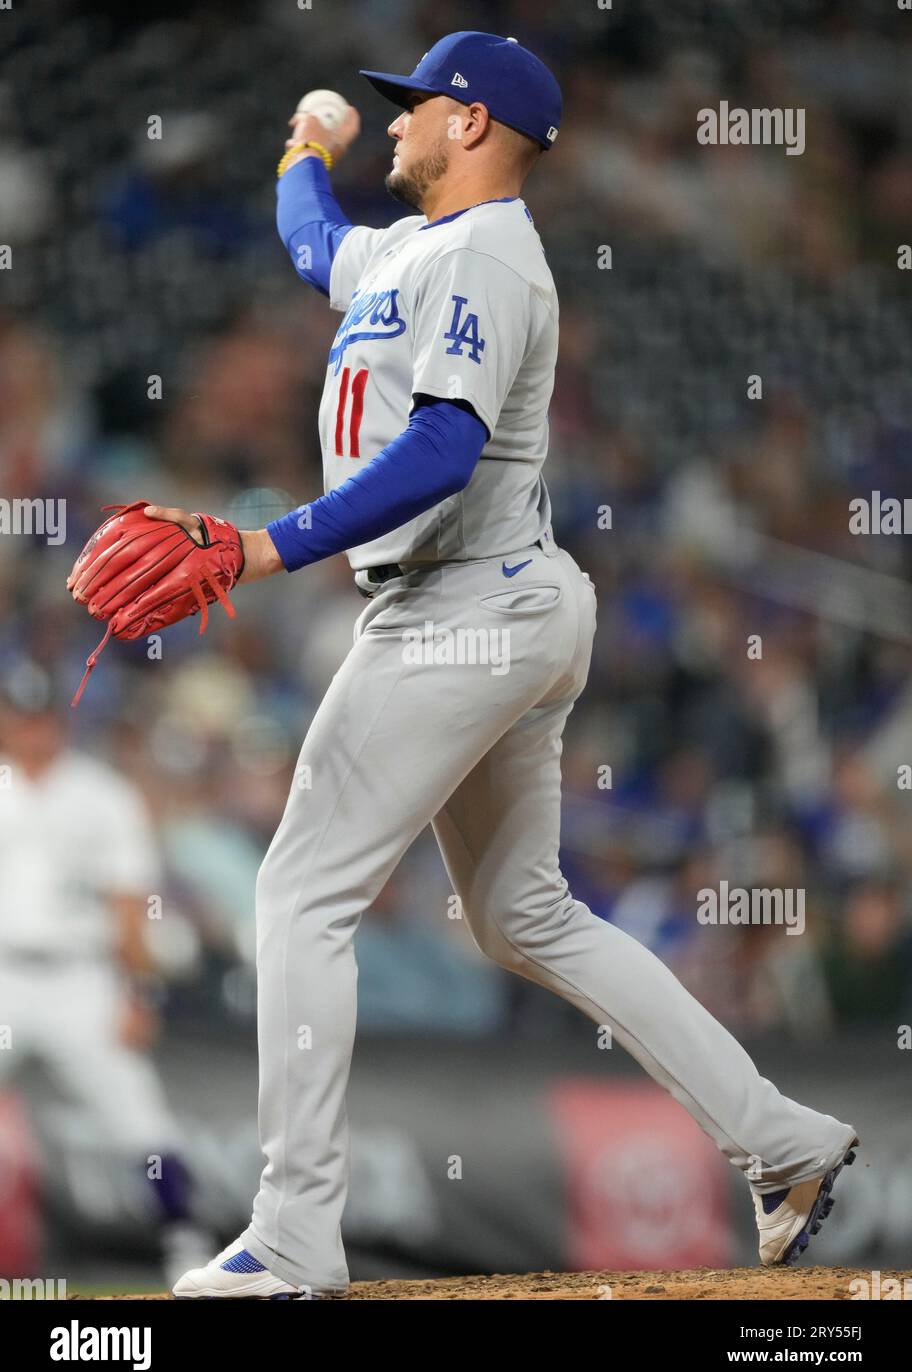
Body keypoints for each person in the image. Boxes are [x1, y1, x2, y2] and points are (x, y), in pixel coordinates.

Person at [149, 32, 856, 1299]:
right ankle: (784, 1139)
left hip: (460, 604)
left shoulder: (491, 250)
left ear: (470, 122)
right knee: (524, 914)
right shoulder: (409, 252)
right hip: (497, 605)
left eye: (413, 107)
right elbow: (313, 239)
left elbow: (445, 448)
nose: (400, 125)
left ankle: (296, 1233)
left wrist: (267, 547)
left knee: (299, 895)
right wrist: (308, 145)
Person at [0, 660, 210, 1286]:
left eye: (38, 714)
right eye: (17, 713)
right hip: (4, 975)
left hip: (79, 977)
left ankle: (186, 1241)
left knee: (138, 1117)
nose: (29, 727)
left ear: (57, 720)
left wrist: (137, 991)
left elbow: (129, 906)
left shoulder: (101, 795)